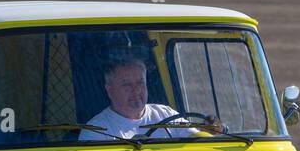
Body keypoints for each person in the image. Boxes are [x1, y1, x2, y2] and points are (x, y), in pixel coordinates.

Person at [78, 58, 220, 141]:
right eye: (127, 84)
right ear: (109, 90)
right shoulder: (95, 131)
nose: (136, 90)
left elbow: (196, 139)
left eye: (140, 82)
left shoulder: (166, 115)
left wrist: (210, 130)